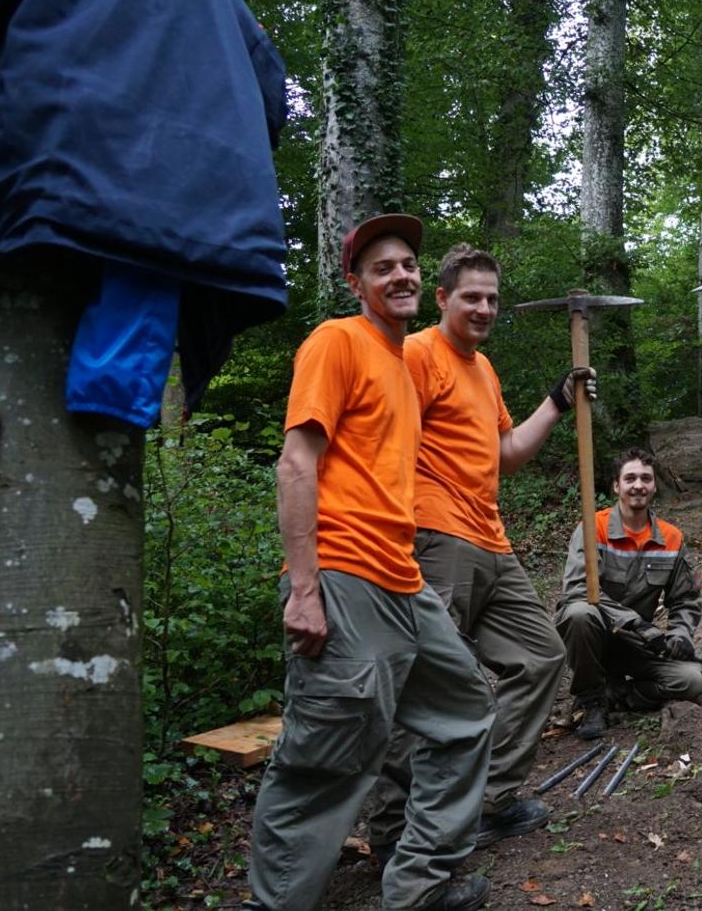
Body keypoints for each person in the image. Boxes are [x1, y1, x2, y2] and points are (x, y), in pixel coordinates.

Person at [245, 215, 493, 911]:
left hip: (403, 580)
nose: (401, 275)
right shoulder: (337, 341)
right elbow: (297, 463)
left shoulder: (401, 363)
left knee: (467, 713)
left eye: (409, 263)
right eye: (382, 267)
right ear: (355, 282)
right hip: (346, 576)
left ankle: (414, 886)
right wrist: (304, 589)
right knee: (329, 758)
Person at [367, 244, 594, 859]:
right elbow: (384, 442)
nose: (485, 307)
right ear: (441, 298)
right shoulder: (417, 355)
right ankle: (395, 832)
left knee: (541, 657)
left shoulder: (482, 368)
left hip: (490, 539)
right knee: (424, 682)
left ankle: (489, 799)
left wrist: (555, 402)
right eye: (472, 296)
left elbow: (505, 455)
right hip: (436, 538)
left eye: (492, 298)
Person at [556, 449, 702, 739]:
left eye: (646, 478)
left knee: (692, 682)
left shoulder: (671, 537)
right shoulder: (592, 527)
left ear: (654, 485)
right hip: (593, 639)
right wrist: (634, 622)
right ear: (616, 486)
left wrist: (680, 635)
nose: (638, 485)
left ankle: (617, 695)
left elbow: (686, 600)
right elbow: (577, 588)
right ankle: (590, 699)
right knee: (578, 613)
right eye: (630, 478)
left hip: (637, 646)